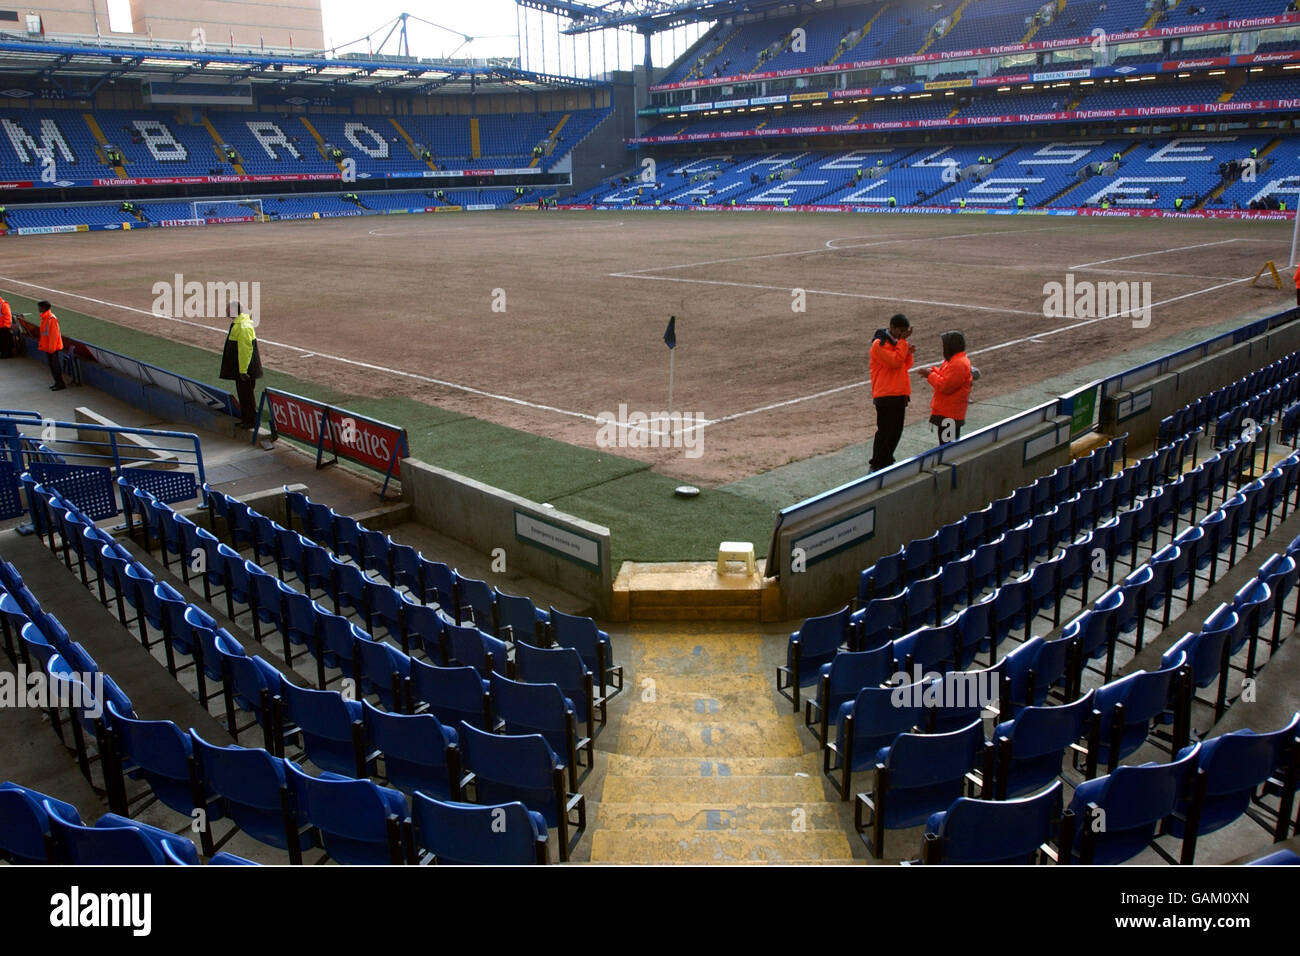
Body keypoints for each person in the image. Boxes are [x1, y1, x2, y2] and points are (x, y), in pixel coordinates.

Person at [868, 314, 914, 472]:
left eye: (905, 332)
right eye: (901, 331)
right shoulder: (879, 344)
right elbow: (895, 362)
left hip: (899, 394)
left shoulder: (896, 343)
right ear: (892, 328)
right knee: (885, 431)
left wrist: (907, 352)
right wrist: (903, 344)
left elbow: (904, 365)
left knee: (896, 431)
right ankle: (877, 463)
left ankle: (886, 460)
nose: (903, 335)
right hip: (885, 395)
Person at [916, 330, 976, 442]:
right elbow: (947, 377)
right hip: (948, 413)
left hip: (949, 415)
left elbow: (945, 386)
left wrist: (930, 375)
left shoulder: (958, 363)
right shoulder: (955, 360)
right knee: (947, 445)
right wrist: (933, 371)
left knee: (947, 448)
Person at [220, 303, 262, 429]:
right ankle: (247, 419)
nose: (226, 311)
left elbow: (245, 350)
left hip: (245, 369)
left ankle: (252, 421)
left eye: (227, 309)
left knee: (247, 395)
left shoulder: (242, 326)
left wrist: (243, 371)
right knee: (244, 395)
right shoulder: (239, 323)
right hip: (242, 368)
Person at [37, 300, 65, 391]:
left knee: (55, 366)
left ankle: (60, 383)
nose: (39, 308)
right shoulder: (45, 318)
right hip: (48, 348)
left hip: (52, 348)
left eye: (40, 307)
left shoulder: (50, 319)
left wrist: (51, 348)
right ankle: (57, 382)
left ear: (44, 308)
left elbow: (53, 335)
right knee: (53, 367)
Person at [0, 292, 12, 359]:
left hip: (3, 327)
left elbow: (8, 316)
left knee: (4, 342)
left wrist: (6, 326)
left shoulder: (3, 304)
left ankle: (5, 354)